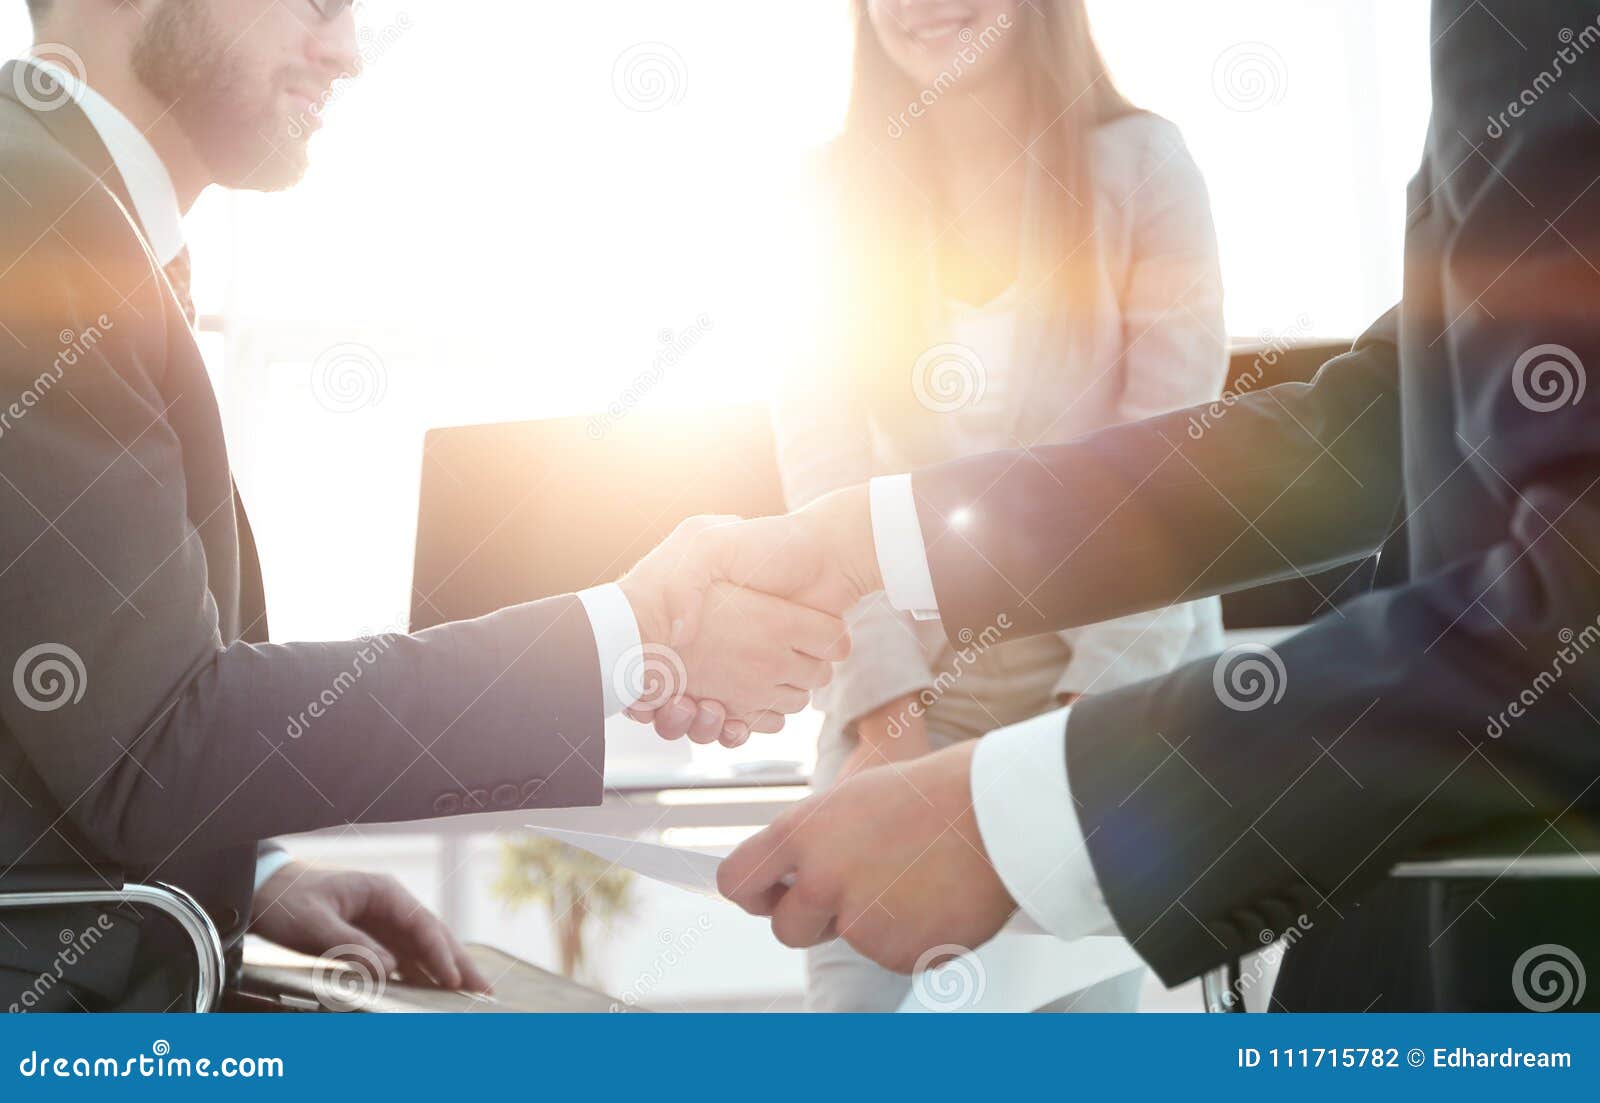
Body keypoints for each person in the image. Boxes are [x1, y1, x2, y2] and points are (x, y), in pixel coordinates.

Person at [678, 0, 1600, 1011]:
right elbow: (1380, 418)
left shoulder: (1145, 165)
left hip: (1168, 720)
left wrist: (1037, 786)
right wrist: (872, 549)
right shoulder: (828, 195)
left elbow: (1569, 601)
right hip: (934, 705)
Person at [0, 0, 846, 1010]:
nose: (347, 52)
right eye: (316, 2)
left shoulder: (63, 201)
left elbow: (89, 714)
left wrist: (257, 875)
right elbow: (156, 748)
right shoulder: (36, 209)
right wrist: (636, 633)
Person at [773, 0, 1224, 1011]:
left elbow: (1170, 481)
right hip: (905, 689)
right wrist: (892, 745)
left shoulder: (1145, 165)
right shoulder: (830, 195)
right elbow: (825, 488)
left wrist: (1068, 759)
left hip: (1109, 686)